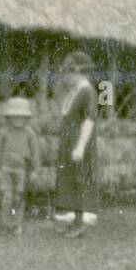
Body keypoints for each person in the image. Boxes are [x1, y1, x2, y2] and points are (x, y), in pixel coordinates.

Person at [52, 51, 99, 239]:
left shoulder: (88, 92)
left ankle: (80, 223)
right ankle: (73, 220)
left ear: (79, 72)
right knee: (70, 180)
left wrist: (80, 146)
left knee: (79, 180)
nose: (66, 78)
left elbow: (89, 120)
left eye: (68, 74)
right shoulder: (75, 92)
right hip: (68, 142)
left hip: (79, 143)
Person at [0, 97, 39, 235]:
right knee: (7, 196)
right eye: (14, 116)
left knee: (18, 196)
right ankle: (5, 224)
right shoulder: (3, 132)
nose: (18, 120)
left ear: (26, 118)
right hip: (6, 168)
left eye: (21, 117)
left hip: (22, 170)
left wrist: (34, 170)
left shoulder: (30, 133)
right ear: (9, 117)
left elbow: (35, 153)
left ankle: (16, 224)